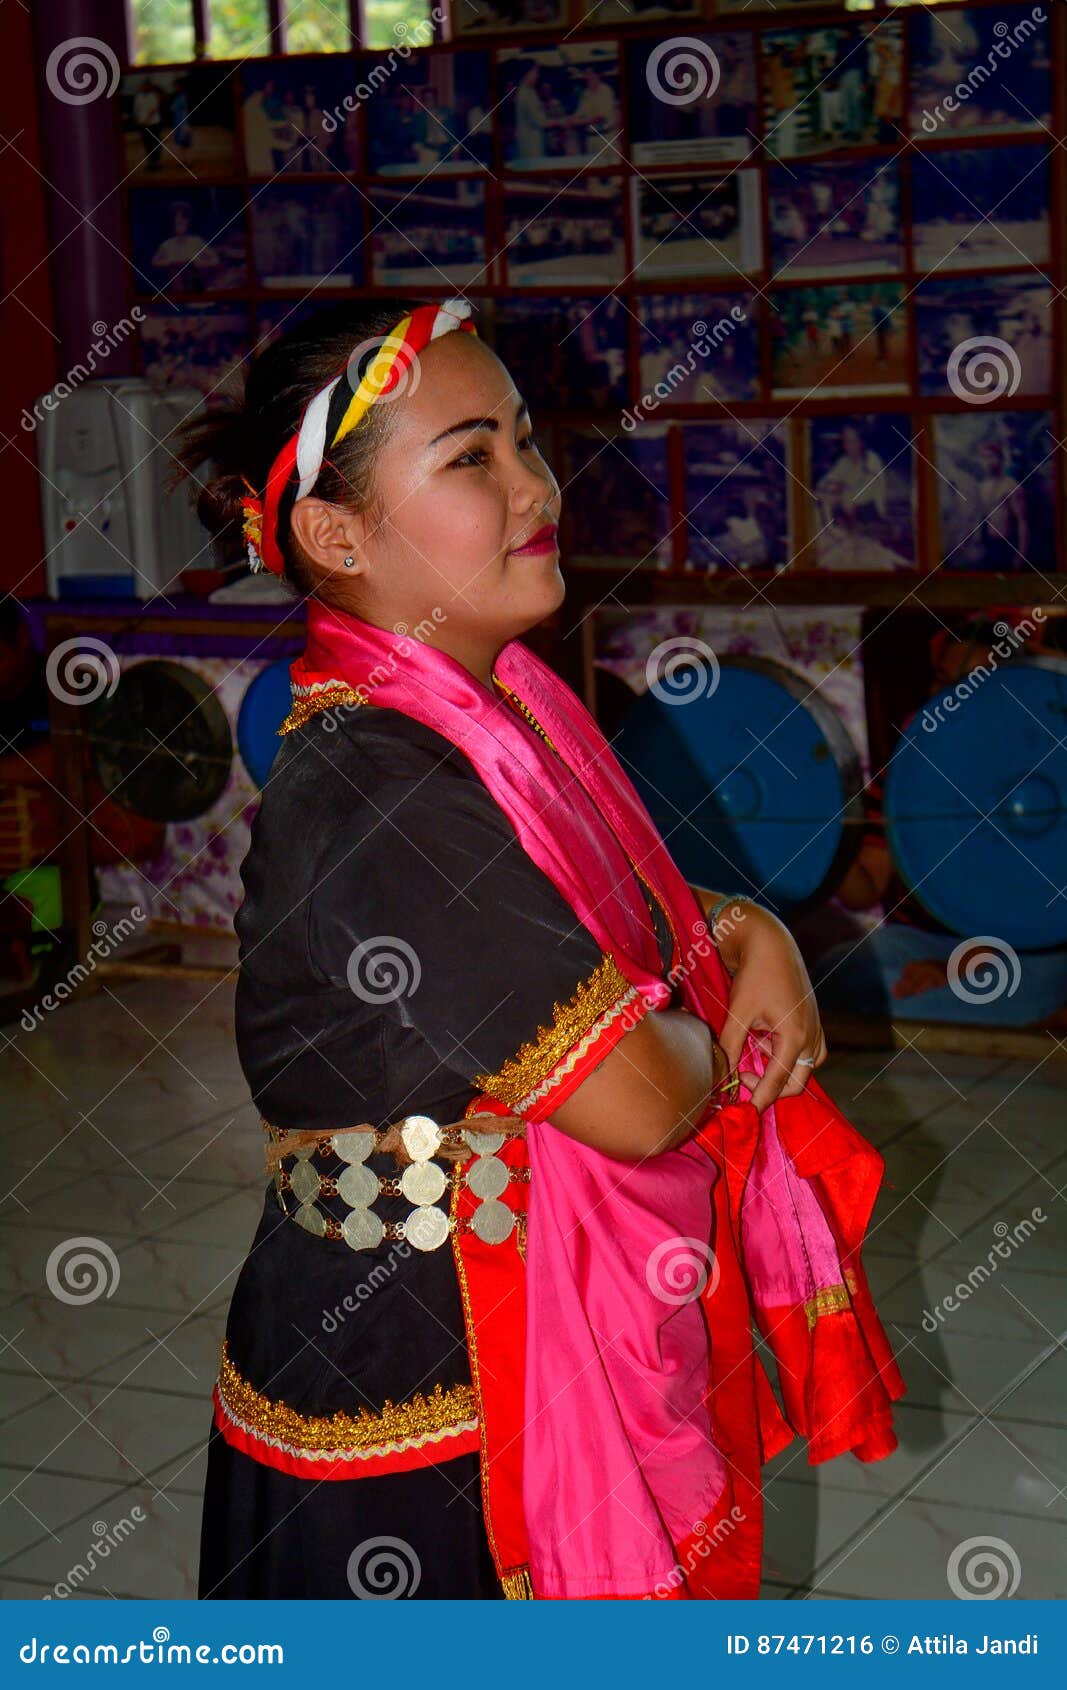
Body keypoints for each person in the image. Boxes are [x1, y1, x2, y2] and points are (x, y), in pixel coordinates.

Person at [173, 297, 903, 1601]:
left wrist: (751, 933)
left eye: (524, 439)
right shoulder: (382, 791)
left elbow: (625, 915)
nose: (534, 485)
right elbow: (636, 1098)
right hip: (421, 1390)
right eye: (472, 457)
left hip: (486, 1344)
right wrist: (718, 1018)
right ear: (337, 533)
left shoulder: (489, 724)